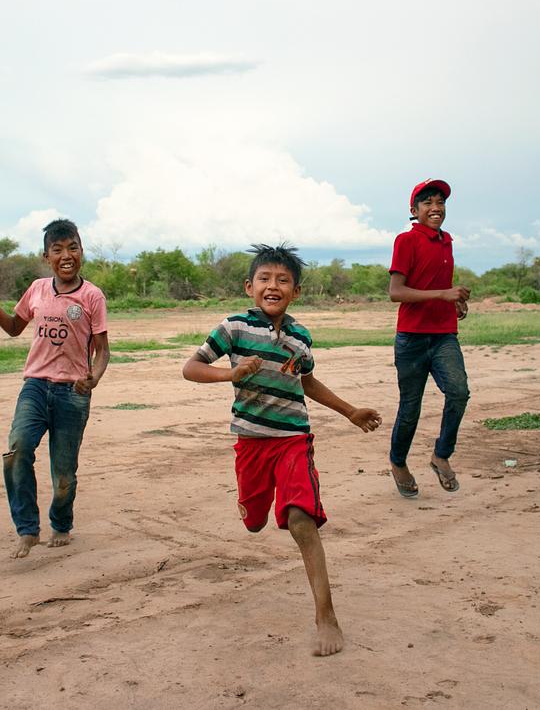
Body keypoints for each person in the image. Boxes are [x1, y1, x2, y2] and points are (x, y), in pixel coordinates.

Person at [182, 244, 382, 657]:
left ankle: (326, 616)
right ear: (249, 286)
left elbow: (305, 383)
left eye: (283, 280)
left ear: (296, 291)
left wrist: (349, 411)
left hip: (293, 439)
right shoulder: (233, 327)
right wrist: (230, 373)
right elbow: (191, 367)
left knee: (300, 519)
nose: (273, 286)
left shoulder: (300, 336)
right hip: (251, 442)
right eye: (265, 279)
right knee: (254, 524)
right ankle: (249, 505)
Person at [0, 218, 110, 558]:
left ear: (81, 252)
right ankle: (27, 529)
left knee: (64, 474)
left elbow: (103, 350)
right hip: (35, 386)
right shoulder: (36, 289)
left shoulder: (92, 296)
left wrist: (94, 377)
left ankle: (61, 524)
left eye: (73, 248)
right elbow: (15, 328)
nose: (66, 255)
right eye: (58, 249)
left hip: (72, 394)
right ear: (46, 256)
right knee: (17, 451)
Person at [387, 179, 471, 499]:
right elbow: (396, 292)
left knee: (459, 392)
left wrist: (454, 302)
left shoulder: (447, 241)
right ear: (414, 210)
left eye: (440, 202)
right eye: (428, 203)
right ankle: (398, 462)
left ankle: (441, 455)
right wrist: (443, 293)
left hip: (444, 335)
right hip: (411, 338)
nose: (436, 208)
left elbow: (439, 287)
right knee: (411, 407)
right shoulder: (406, 240)